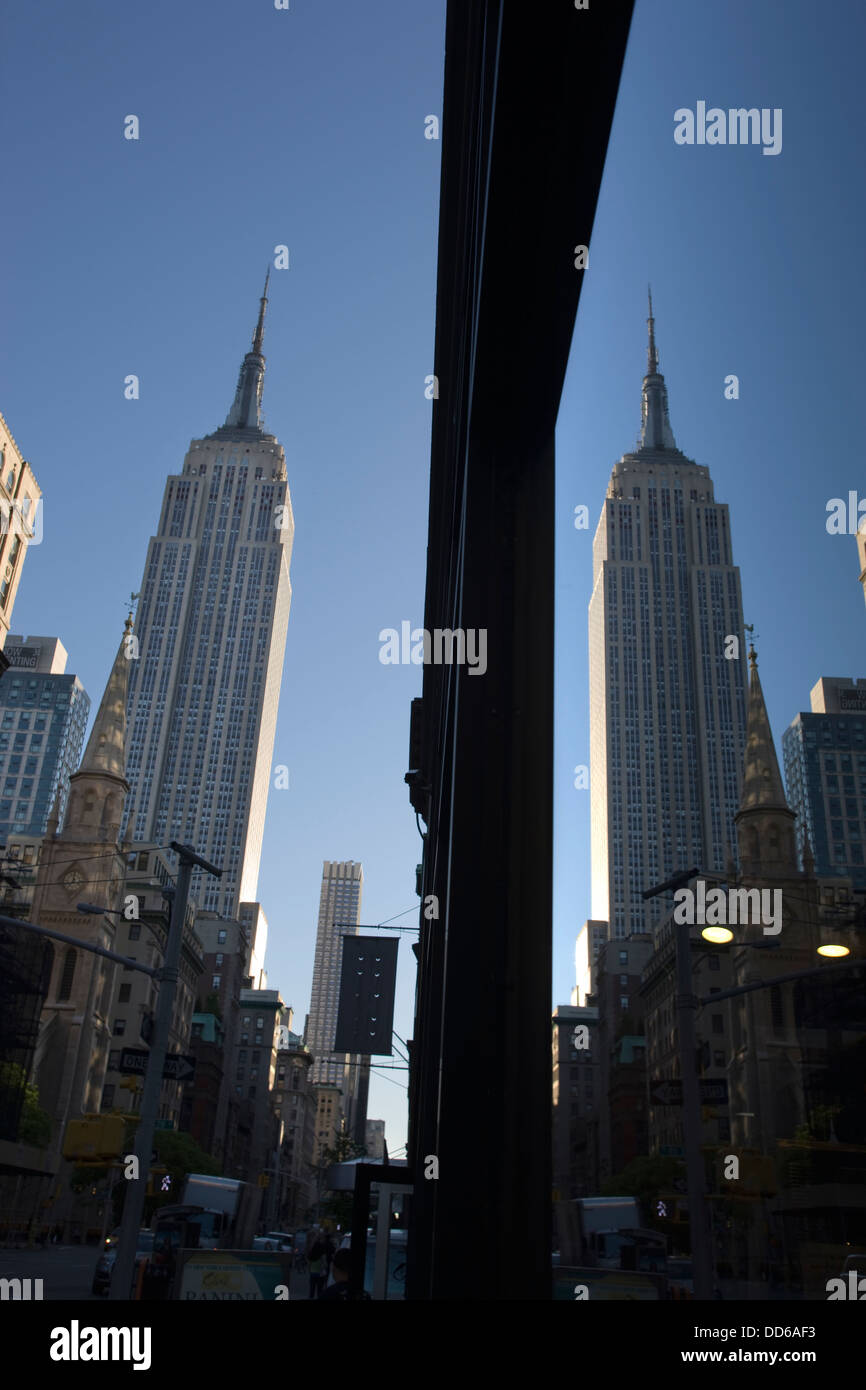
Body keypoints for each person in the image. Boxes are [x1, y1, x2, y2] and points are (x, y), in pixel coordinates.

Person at [308, 1231, 327, 1299]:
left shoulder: (312, 1254)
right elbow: (325, 1264)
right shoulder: (322, 1254)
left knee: (312, 1289)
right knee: (319, 1290)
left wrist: (309, 1270)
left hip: (313, 1273)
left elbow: (309, 1264)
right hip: (320, 1274)